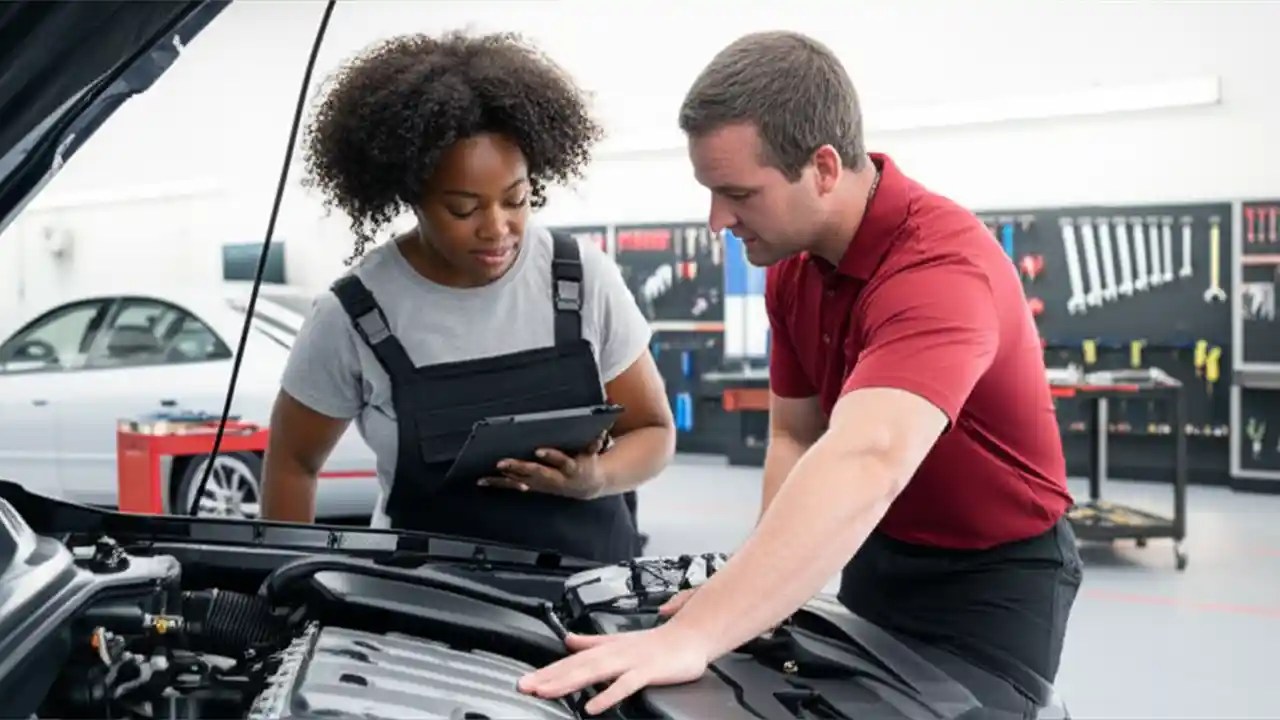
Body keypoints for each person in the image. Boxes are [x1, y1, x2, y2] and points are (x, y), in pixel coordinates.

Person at [518, 30, 1082, 713]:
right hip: (879, 544)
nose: (717, 220)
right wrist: (747, 591)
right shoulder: (790, 265)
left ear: (821, 168)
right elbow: (796, 436)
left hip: (995, 574)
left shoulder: (938, 269)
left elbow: (869, 457)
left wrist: (703, 629)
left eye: (737, 194)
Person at [259, 31, 675, 563]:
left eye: (517, 199)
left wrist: (595, 478)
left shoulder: (581, 280)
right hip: (424, 609)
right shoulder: (354, 314)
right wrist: (282, 584)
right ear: (410, 195)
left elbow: (653, 431)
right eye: (463, 209)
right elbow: (294, 462)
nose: (497, 228)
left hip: (590, 600)